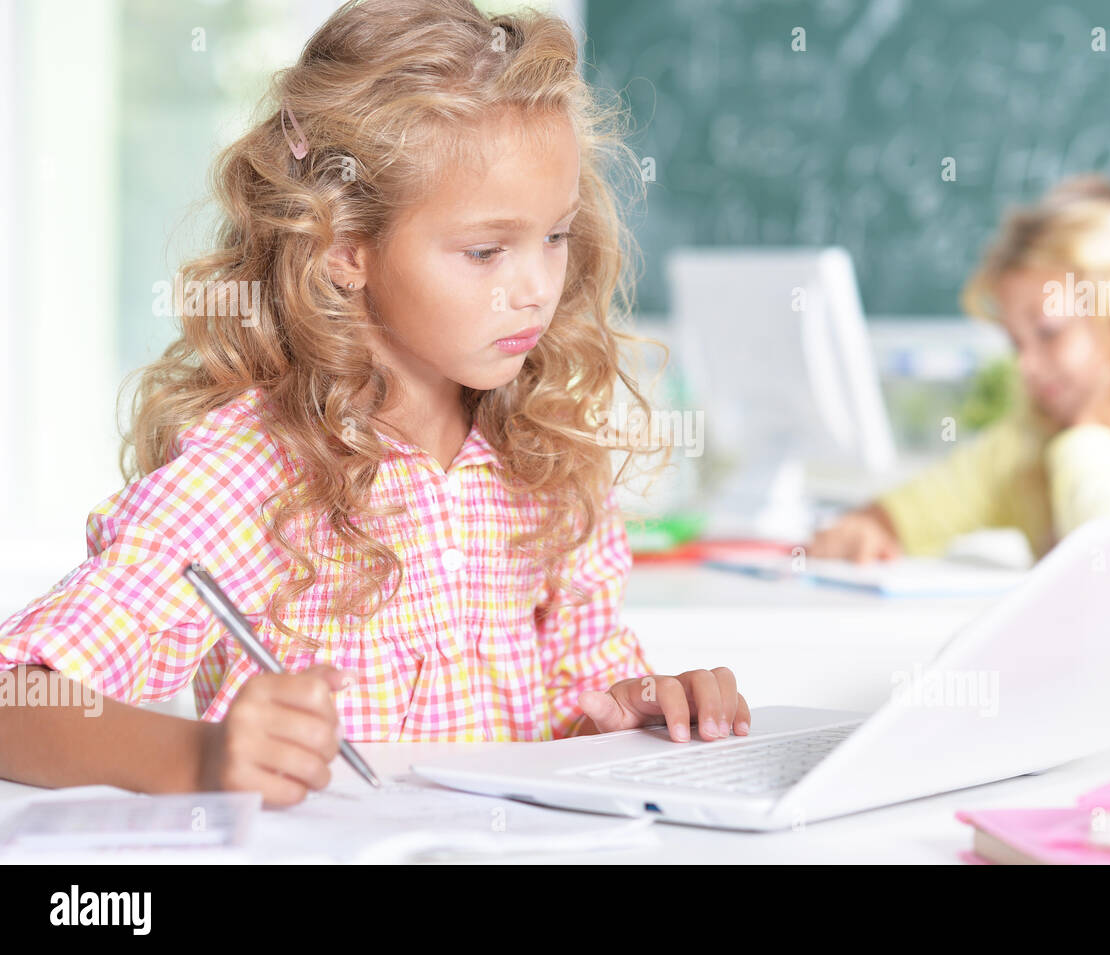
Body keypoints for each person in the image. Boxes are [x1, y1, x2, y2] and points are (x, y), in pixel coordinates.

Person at [0, 0, 747, 807]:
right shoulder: (252, 474)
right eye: (486, 251)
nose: (536, 288)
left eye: (556, 236)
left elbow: (576, 706)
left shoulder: (547, 454)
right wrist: (203, 757)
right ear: (345, 250)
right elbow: (18, 699)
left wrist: (638, 713)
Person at [810, 175, 1110, 564]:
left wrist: (1089, 436)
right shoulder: (1032, 438)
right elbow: (918, 509)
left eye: (1049, 332)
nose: (1027, 365)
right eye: (1016, 342)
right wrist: (867, 527)